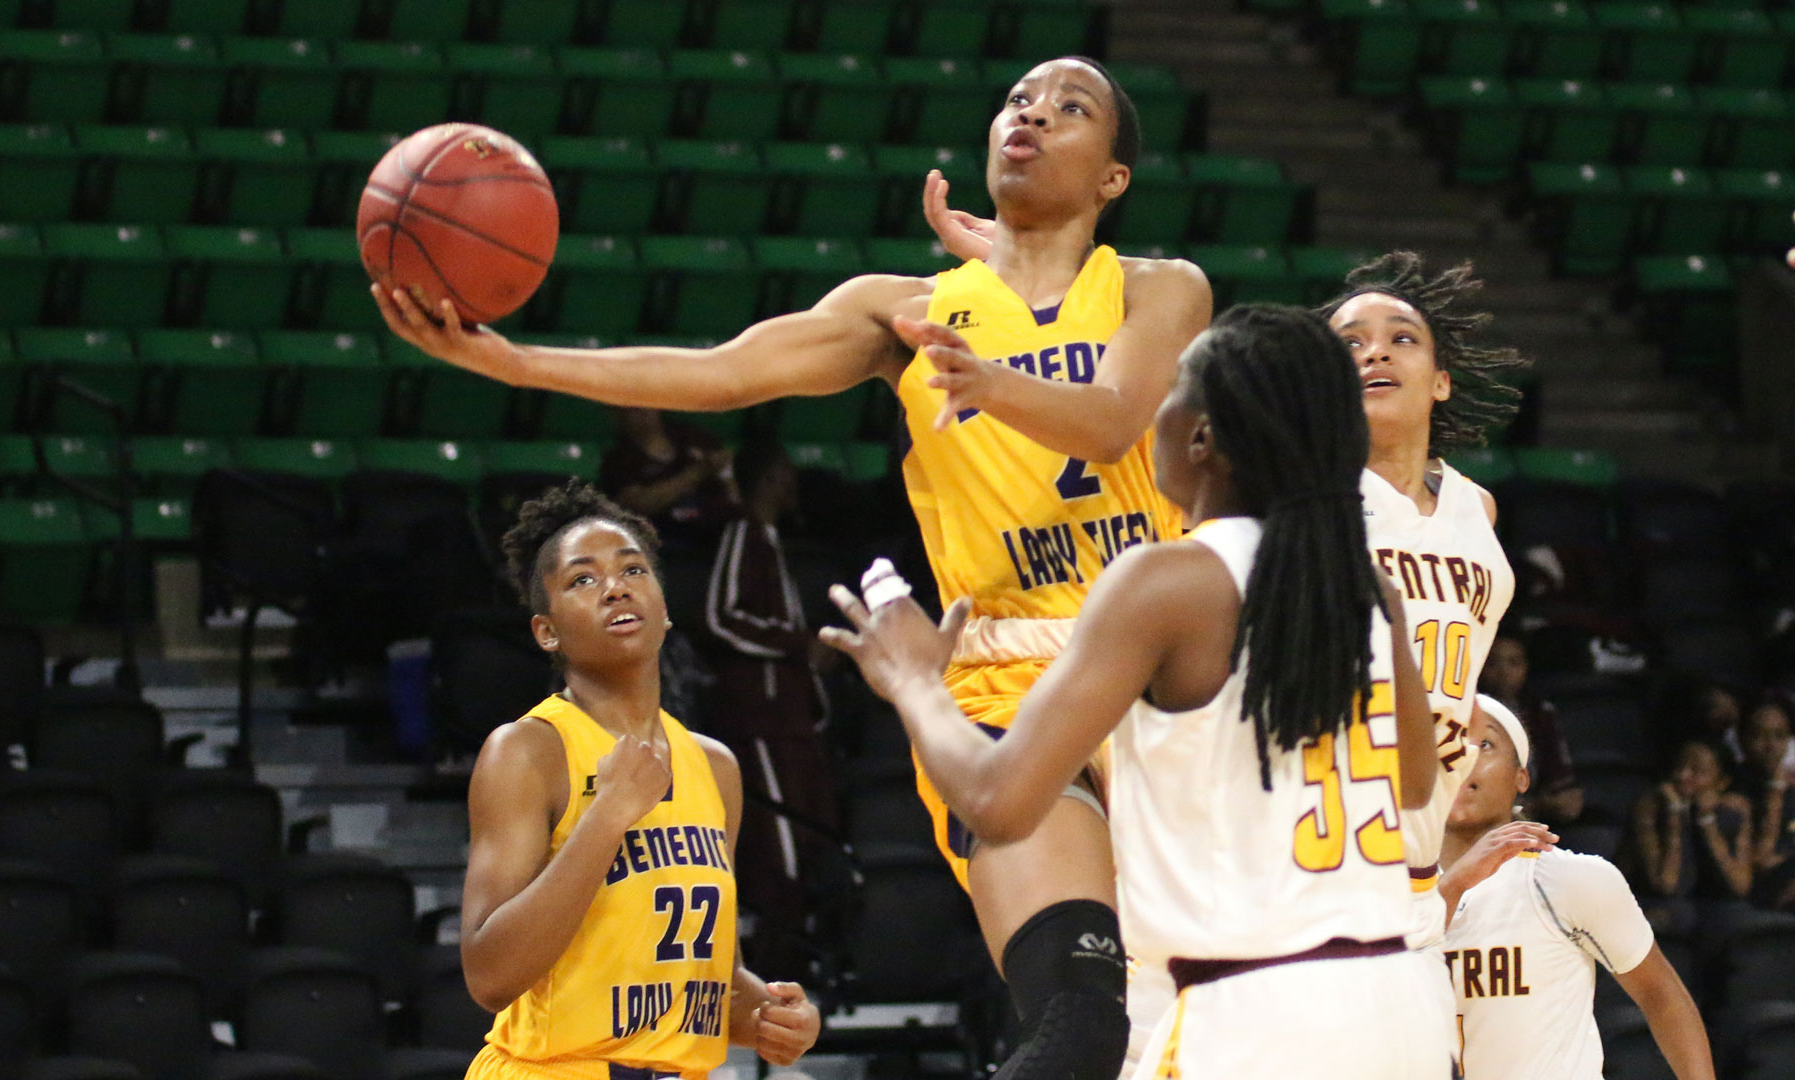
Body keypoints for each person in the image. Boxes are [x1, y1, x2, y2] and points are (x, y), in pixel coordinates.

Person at [380, 55, 1214, 1080]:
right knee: (1083, 1021)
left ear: (1112, 180)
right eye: (1016, 101)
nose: (1032, 112)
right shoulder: (899, 311)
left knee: (1190, 1020)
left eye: (1070, 106)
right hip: (1003, 687)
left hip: (1166, 676)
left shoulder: (1160, 289)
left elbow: (1114, 416)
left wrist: (982, 377)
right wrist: (516, 362)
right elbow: (720, 372)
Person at [923, 203, 1523, 1070]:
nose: (1376, 354)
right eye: (1349, 344)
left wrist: (915, 678)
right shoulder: (1319, 523)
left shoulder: (1467, 513)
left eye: (1402, 338)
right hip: (1360, 932)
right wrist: (1026, 261)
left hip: (1316, 934)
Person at [821, 304, 1448, 1079]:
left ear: (1203, 435)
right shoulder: (1367, 588)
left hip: (1256, 1014)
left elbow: (997, 801)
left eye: (1172, 392)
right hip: (1402, 1003)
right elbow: (1414, 780)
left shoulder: (1168, 580)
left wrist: (915, 682)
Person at [458, 482, 819, 1080]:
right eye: (583, 579)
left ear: (664, 605)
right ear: (547, 632)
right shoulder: (528, 751)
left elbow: (708, 975)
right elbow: (489, 976)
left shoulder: (715, 766)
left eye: (633, 570)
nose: (616, 586)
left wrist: (768, 1017)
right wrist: (605, 819)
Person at [1439, 696, 1714, 1079]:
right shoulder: (1391, 895)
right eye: (1446, 743)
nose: (1462, 757)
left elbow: (1661, 994)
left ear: (1522, 777)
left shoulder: (1568, 880)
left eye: (1484, 744)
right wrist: (1455, 883)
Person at [699, 436, 839, 979]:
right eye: (784, 471)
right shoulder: (743, 531)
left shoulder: (771, 541)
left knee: (809, 840)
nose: (792, 483)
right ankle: (767, 980)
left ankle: (795, 968)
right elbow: (721, 616)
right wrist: (799, 644)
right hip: (757, 717)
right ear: (765, 478)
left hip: (790, 721)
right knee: (778, 851)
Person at [1630, 741, 1753, 931]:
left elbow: (1739, 887)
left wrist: (1707, 822)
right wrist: (1675, 815)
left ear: (1722, 782)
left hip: (1711, 904)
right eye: (1679, 767)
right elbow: (1667, 885)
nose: (1682, 776)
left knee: (1740, 918)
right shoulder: (1651, 808)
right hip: (1652, 901)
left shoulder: (1732, 812)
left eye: (1697, 771)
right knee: (1679, 914)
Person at [1480, 630, 1584, 825]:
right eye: (1493, 663)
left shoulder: (1540, 712)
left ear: (1525, 668)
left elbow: (1561, 782)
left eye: (1513, 663)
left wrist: (1550, 800)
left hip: (1532, 805)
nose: (1504, 673)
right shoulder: (1467, 712)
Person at [599, 407, 739, 549]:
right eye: (633, 409)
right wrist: (696, 473)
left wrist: (725, 475)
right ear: (617, 415)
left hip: (715, 538)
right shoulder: (618, 459)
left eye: (647, 404)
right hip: (661, 546)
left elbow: (733, 490)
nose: (643, 411)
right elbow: (636, 504)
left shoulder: (692, 437)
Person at [1734, 695, 1795, 910]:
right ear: (1741, 738)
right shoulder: (1729, 788)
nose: (1770, 746)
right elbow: (1759, 860)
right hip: (1753, 889)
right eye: (1759, 735)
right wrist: (1774, 794)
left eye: (1779, 736)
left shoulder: (1792, 789)